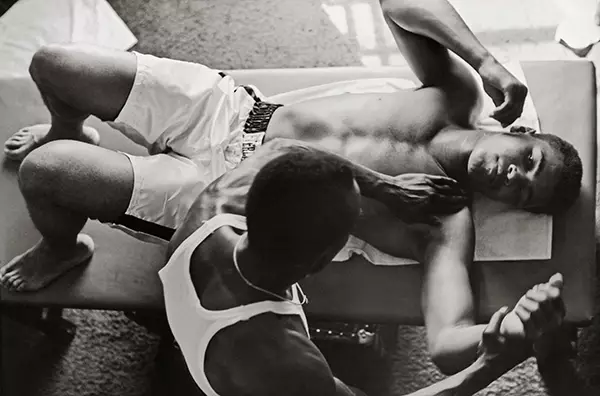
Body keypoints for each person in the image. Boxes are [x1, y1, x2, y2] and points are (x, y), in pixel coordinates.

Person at [0, 0, 582, 375]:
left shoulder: (446, 218)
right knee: (53, 63)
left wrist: (503, 337)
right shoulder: (458, 94)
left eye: (522, 193)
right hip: (230, 113)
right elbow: (398, 4)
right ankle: (68, 125)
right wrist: (484, 60)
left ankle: (65, 246)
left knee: (45, 172)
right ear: (520, 132)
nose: (514, 176)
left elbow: (447, 342)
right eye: (529, 160)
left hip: (228, 196)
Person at [161, 141, 567, 396]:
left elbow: (287, 152)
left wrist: (384, 188)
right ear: (322, 262)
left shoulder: (213, 209)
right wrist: (493, 362)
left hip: (199, 321)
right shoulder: (283, 360)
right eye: (357, 215)